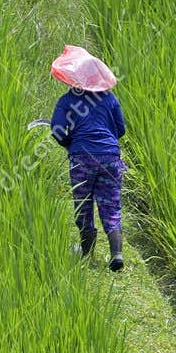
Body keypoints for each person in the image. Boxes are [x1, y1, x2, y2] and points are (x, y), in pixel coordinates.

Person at [47, 45, 127, 271]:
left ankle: (86, 251)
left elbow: (58, 131)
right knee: (111, 205)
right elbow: (120, 129)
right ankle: (117, 254)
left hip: (82, 157)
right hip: (110, 157)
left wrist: (71, 144)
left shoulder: (66, 101)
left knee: (83, 205)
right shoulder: (109, 99)